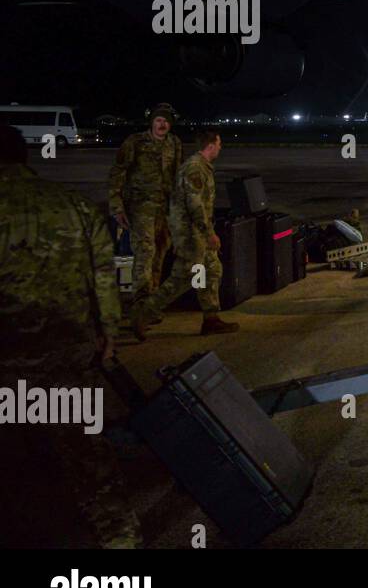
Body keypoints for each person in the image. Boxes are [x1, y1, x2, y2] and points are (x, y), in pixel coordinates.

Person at [0, 124, 143, 548]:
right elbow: (106, 277)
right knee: (91, 467)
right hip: (69, 360)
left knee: (15, 469)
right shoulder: (75, 206)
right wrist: (109, 336)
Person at [130, 130, 239, 338]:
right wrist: (209, 233)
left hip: (198, 233)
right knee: (183, 277)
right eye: (219, 143)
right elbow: (195, 205)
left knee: (212, 270)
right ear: (210, 145)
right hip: (191, 235)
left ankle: (211, 318)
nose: (220, 147)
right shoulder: (195, 168)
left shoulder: (202, 167)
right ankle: (144, 312)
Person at [107, 102, 182, 304]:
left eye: (166, 121)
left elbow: (176, 178)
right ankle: (140, 302)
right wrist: (116, 207)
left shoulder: (174, 143)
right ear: (151, 122)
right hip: (140, 209)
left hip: (164, 210)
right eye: (158, 120)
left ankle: (151, 303)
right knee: (145, 251)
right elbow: (117, 173)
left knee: (159, 252)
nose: (162, 124)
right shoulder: (135, 142)